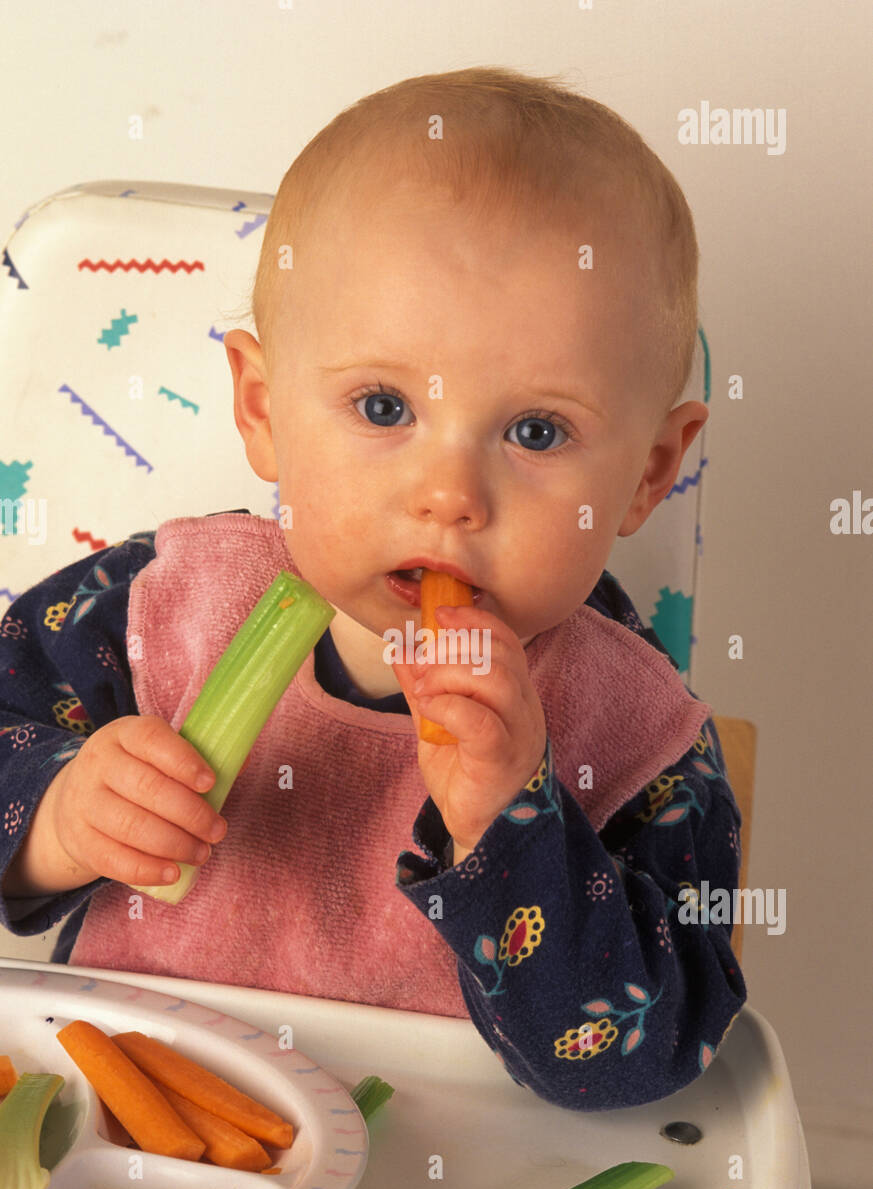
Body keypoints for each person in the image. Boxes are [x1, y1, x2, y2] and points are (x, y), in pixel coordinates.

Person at [0, 66, 746, 1110]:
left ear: (650, 472)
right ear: (261, 407)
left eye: (535, 432)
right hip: (136, 1144)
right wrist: (55, 820)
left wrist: (511, 821)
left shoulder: (648, 746)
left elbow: (654, 1056)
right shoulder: (153, 608)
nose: (447, 495)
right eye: (384, 406)